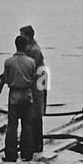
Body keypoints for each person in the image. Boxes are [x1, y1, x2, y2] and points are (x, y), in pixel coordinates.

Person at [0, 35, 38, 162]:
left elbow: (6, 79)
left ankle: (11, 155)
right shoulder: (31, 62)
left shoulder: (8, 62)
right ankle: (27, 153)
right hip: (27, 95)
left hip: (14, 95)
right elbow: (34, 78)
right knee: (27, 125)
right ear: (25, 46)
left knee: (12, 126)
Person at [20, 25, 47, 155]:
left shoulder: (34, 51)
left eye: (22, 35)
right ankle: (34, 143)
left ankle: (36, 145)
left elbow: (31, 68)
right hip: (35, 84)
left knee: (35, 115)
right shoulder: (31, 49)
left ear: (27, 36)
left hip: (36, 86)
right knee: (33, 115)